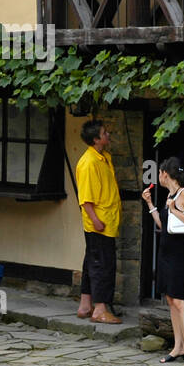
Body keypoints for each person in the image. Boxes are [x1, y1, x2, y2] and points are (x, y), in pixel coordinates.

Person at [143, 157, 184, 366]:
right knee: (170, 299)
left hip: (179, 253)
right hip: (166, 251)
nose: (158, 176)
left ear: (165, 174)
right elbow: (164, 224)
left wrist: (175, 209)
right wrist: (150, 204)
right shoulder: (170, 195)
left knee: (180, 300)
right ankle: (177, 347)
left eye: (159, 173)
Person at [75, 119, 122, 324]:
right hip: (99, 223)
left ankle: (86, 305)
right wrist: (95, 220)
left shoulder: (103, 158)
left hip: (106, 220)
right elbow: (85, 199)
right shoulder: (89, 163)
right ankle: (100, 309)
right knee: (103, 265)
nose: (108, 135)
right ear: (96, 139)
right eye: (104, 133)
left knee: (92, 263)